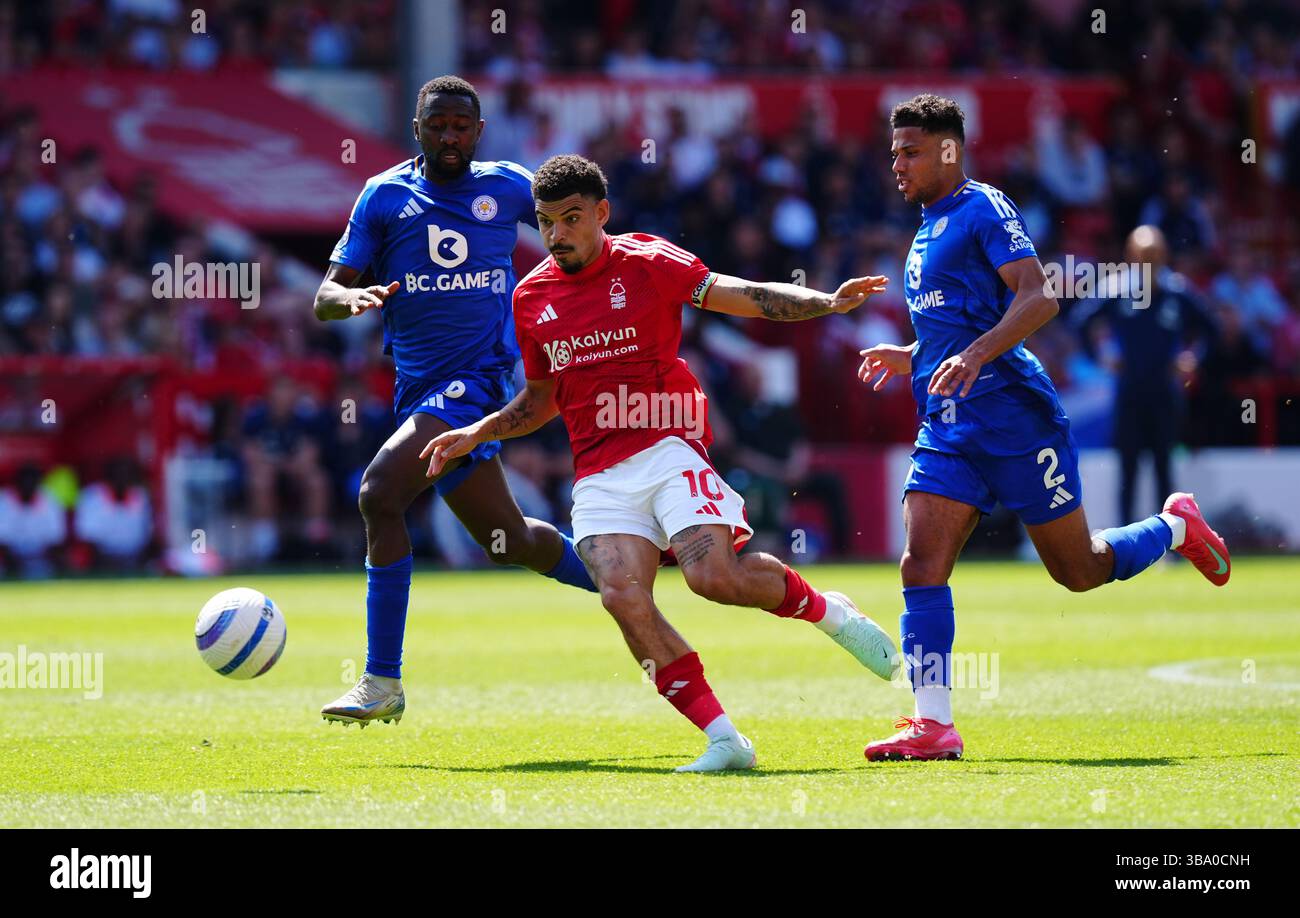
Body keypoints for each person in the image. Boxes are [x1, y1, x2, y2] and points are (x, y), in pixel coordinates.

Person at [424, 154, 899, 773]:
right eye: (546, 222)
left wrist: (826, 303)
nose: (558, 235)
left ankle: (828, 611)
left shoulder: (647, 260)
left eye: (571, 219)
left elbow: (740, 295)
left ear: (602, 214)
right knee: (621, 597)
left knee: (713, 581)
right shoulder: (531, 297)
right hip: (598, 472)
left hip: (667, 444)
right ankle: (726, 740)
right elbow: (542, 401)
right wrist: (477, 433)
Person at [856, 95, 1231, 762]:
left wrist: (974, 355)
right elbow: (955, 327)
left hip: (1014, 420)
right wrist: (915, 354)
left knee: (1078, 570)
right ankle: (933, 723)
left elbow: (1039, 297)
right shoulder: (924, 227)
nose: (897, 164)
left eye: (910, 151)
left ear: (949, 150)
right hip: (949, 426)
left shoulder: (983, 208)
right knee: (921, 562)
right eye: (893, 152)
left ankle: (1176, 526)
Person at [313, 76, 595, 729]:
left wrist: (583, 288)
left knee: (380, 493)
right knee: (510, 541)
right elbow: (326, 293)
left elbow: (580, 229)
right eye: (437, 124)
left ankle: (382, 681)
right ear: (417, 127)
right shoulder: (384, 196)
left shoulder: (507, 186)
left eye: (460, 126)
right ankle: (622, 574)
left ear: (478, 133)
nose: (449, 136)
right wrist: (346, 301)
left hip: (481, 380)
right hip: (418, 392)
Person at [1071, 225, 1216, 523]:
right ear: (1130, 256)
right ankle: (1125, 539)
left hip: (1165, 391)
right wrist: (1102, 357)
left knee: (1164, 465)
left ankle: (1170, 540)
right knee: (1128, 467)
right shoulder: (1117, 289)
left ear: (1164, 256)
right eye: (1143, 255)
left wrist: (1193, 358)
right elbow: (1081, 322)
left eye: (1154, 255)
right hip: (1129, 391)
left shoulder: (1176, 291)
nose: (1148, 262)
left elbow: (1211, 329)